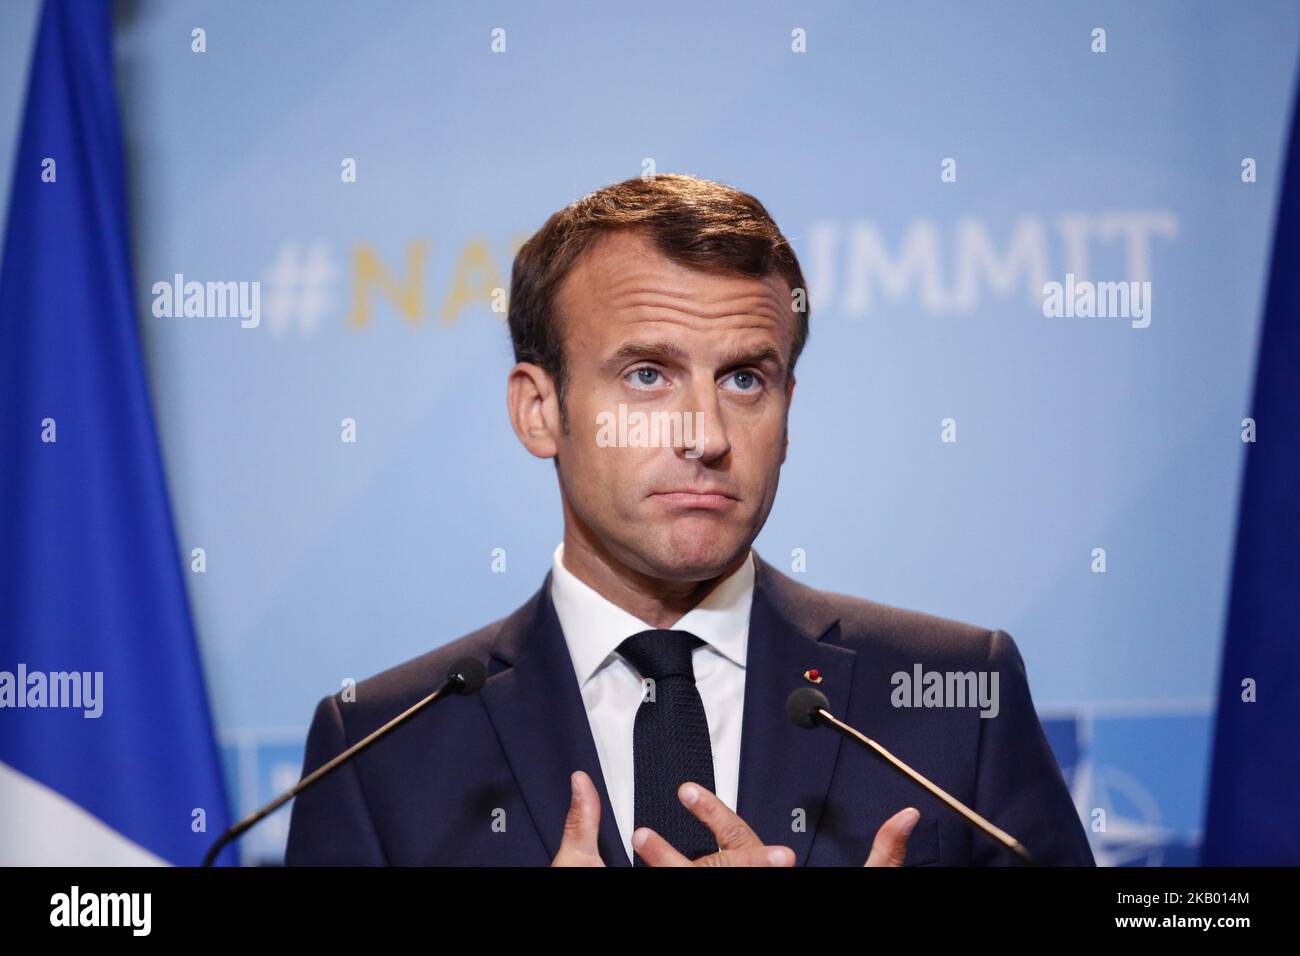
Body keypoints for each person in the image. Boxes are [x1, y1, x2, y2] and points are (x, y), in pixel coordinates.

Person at [285, 174, 1095, 867]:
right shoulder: (379, 750)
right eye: (647, 374)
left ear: (787, 410)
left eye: (745, 379)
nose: (706, 436)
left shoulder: (953, 698)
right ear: (540, 411)